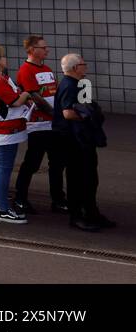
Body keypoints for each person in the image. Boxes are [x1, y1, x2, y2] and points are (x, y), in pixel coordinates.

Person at [0, 42, 43, 224]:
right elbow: (15, 101)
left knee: (4, 168)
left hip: (6, 129)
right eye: (3, 56)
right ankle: (2, 208)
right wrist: (27, 94)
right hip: (4, 130)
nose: (6, 59)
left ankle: (3, 206)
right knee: (4, 168)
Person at [54, 53, 113, 232]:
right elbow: (67, 113)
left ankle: (91, 212)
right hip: (73, 141)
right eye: (83, 64)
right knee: (78, 178)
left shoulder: (78, 84)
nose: (85, 66)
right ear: (74, 68)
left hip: (83, 139)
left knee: (89, 178)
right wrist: (89, 115)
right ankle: (77, 216)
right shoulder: (69, 86)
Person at [13, 35, 65, 214]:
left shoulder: (47, 68)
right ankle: (20, 199)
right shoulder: (26, 71)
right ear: (32, 50)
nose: (47, 50)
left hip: (53, 125)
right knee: (32, 164)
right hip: (38, 126)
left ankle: (58, 200)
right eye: (43, 47)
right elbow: (35, 97)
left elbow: (53, 92)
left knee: (57, 163)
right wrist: (54, 113)